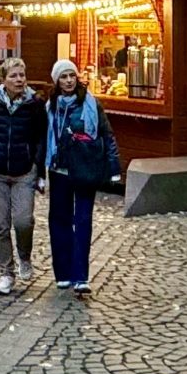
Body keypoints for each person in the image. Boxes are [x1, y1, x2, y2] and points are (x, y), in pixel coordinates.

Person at [44, 60, 120, 297]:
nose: (69, 81)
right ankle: (63, 273)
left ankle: (81, 276)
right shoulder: (50, 106)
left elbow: (107, 134)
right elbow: (41, 139)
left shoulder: (91, 103)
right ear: (57, 80)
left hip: (85, 167)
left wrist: (113, 165)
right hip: (59, 169)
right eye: (64, 77)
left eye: (72, 76)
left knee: (83, 220)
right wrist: (38, 172)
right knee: (60, 220)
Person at [0, 57, 47, 293]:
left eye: (22, 75)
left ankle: (24, 256)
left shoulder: (35, 103)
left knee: (24, 221)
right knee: (0, 224)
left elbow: (41, 137)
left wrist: (37, 165)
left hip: (24, 170)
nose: (19, 80)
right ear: (3, 79)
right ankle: (6, 273)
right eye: (13, 75)